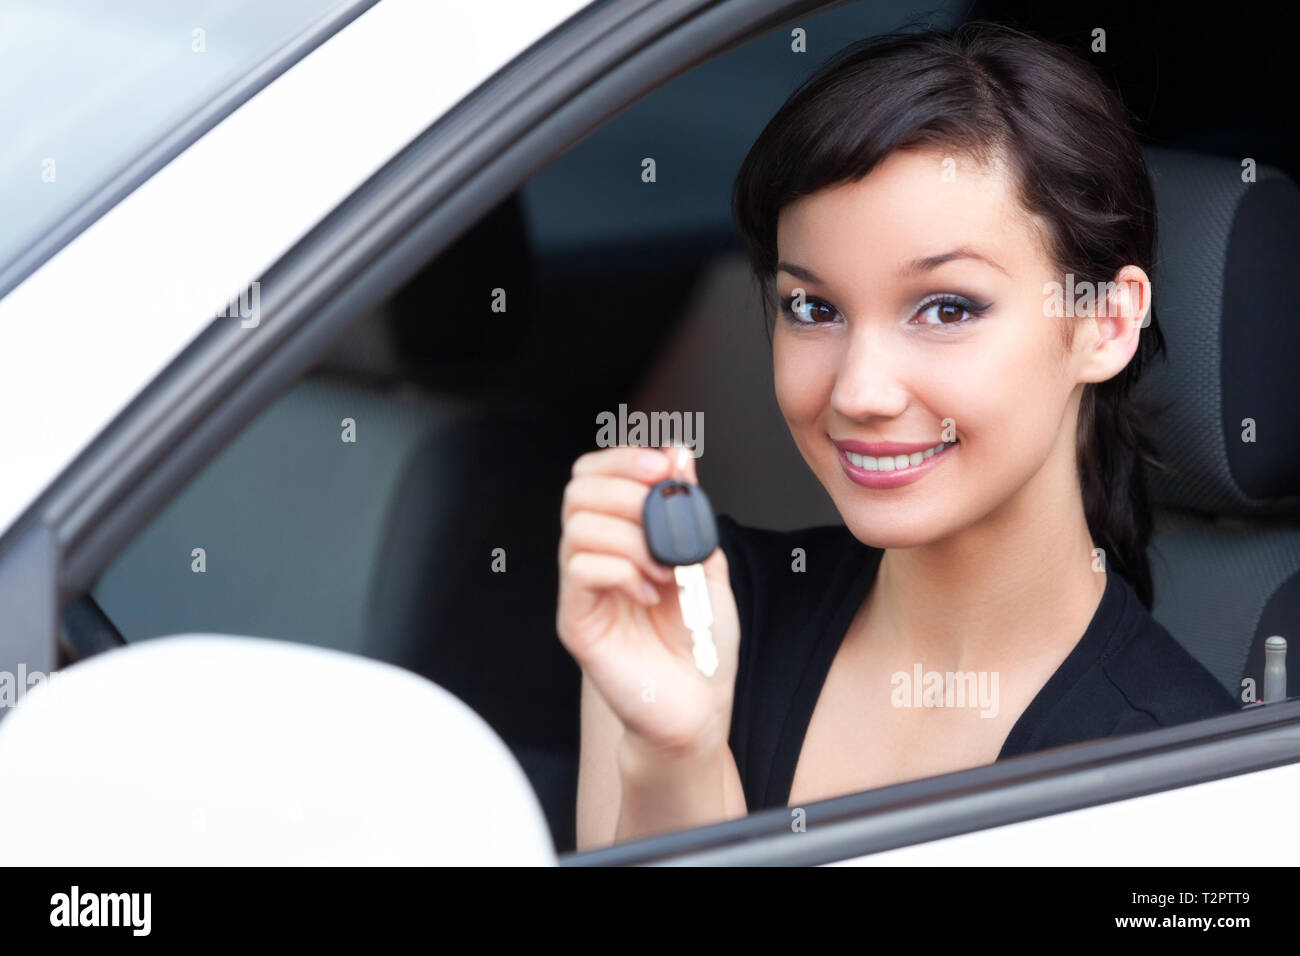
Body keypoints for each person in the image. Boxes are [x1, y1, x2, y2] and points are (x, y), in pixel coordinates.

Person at [556, 21, 1239, 851]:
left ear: (1106, 323)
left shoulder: (1193, 783)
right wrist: (676, 754)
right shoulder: (676, 624)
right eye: (814, 308)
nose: (859, 391)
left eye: (947, 309)